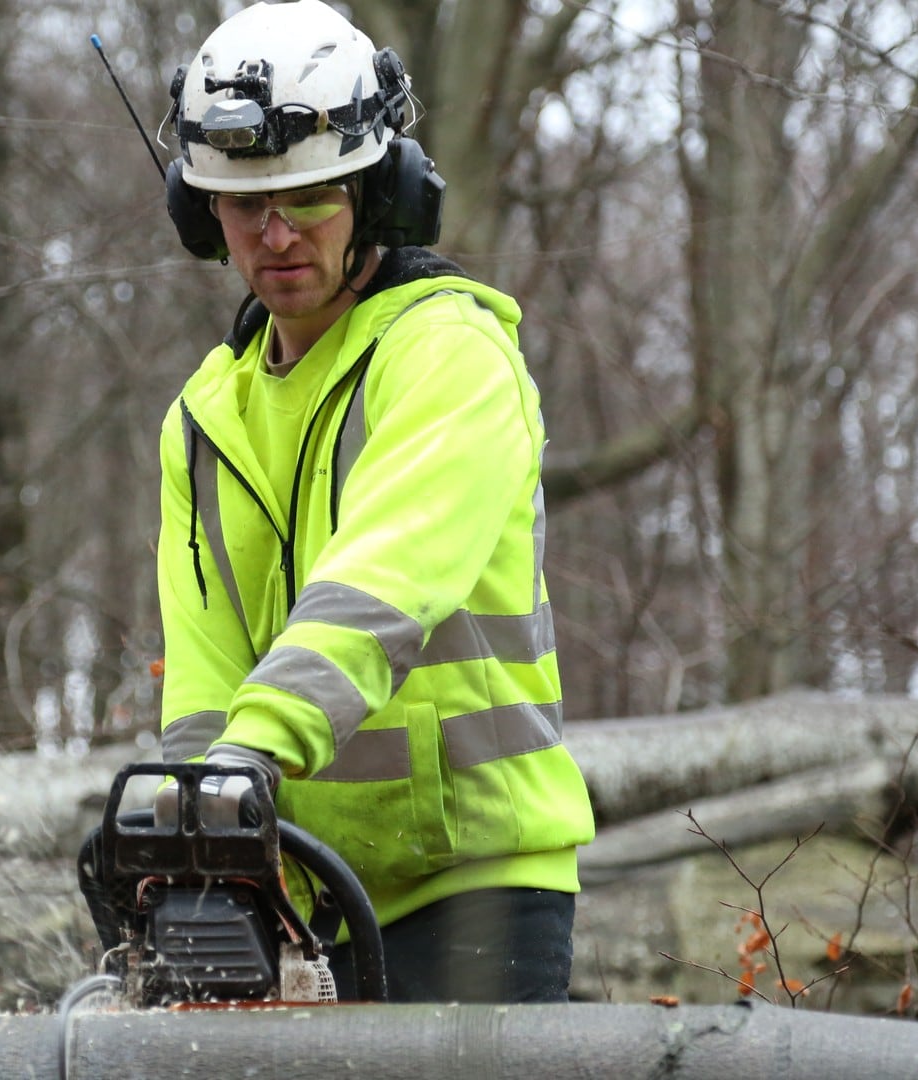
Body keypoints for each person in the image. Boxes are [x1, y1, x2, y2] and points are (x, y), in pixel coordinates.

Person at [149, 0, 595, 1004]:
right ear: (198, 211)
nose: (276, 234)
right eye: (241, 205)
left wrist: (251, 755)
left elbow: (384, 582)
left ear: (378, 190)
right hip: (301, 893)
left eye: (308, 199)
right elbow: (205, 659)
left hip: (475, 883)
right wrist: (200, 824)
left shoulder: (451, 357)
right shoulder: (203, 417)